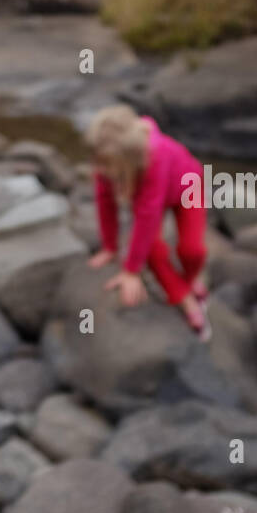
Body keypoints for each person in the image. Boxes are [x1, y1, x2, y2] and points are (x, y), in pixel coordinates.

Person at [83, 104, 211, 341]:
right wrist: (110, 247)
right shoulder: (107, 159)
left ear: (128, 161)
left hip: (187, 185)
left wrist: (131, 271)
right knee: (151, 251)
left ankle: (192, 279)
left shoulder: (156, 156)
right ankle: (186, 299)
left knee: (192, 251)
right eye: (96, 162)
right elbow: (105, 203)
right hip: (149, 191)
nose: (98, 170)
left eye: (104, 166)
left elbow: (147, 217)